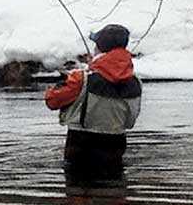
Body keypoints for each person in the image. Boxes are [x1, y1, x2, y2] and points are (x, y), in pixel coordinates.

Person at [44, 23, 142, 180]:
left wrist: (67, 81)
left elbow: (52, 101)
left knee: (78, 190)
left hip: (80, 146)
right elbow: (129, 122)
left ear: (99, 49)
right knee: (114, 189)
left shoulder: (81, 78)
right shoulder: (135, 83)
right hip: (116, 145)